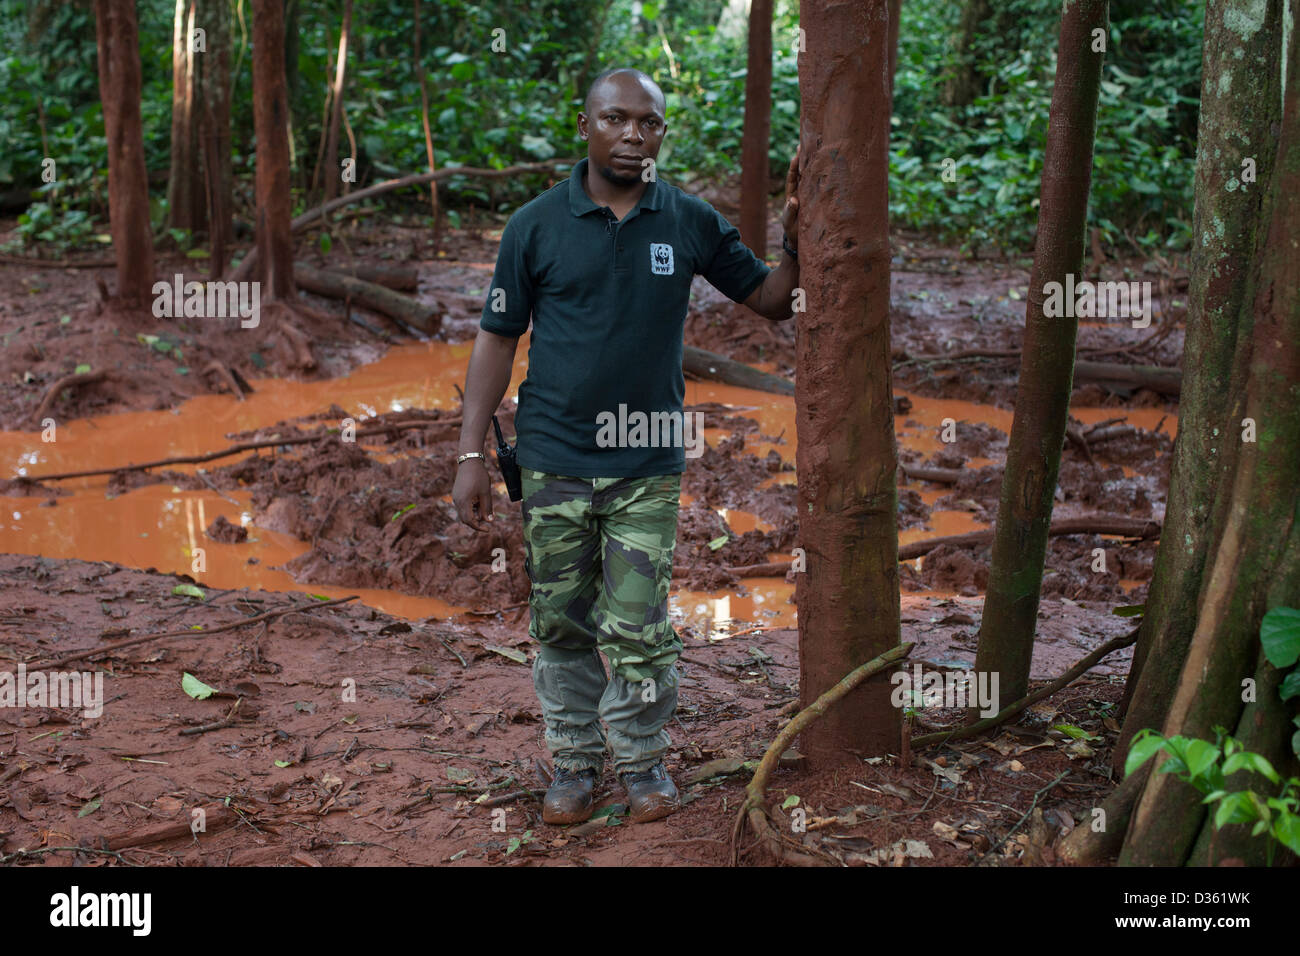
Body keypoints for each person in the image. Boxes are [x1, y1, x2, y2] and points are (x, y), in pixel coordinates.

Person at [454, 67, 800, 825]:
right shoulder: (535, 225)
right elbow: (496, 338)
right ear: (586, 126)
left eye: (649, 122)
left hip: (646, 461)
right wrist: (471, 455)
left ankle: (642, 760)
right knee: (562, 623)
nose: (633, 134)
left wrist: (798, 240)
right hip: (551, 458)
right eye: (616, 118)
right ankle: (574, 762)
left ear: (662, 133)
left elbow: (772, 300)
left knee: (640, 627)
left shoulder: (689, 220)